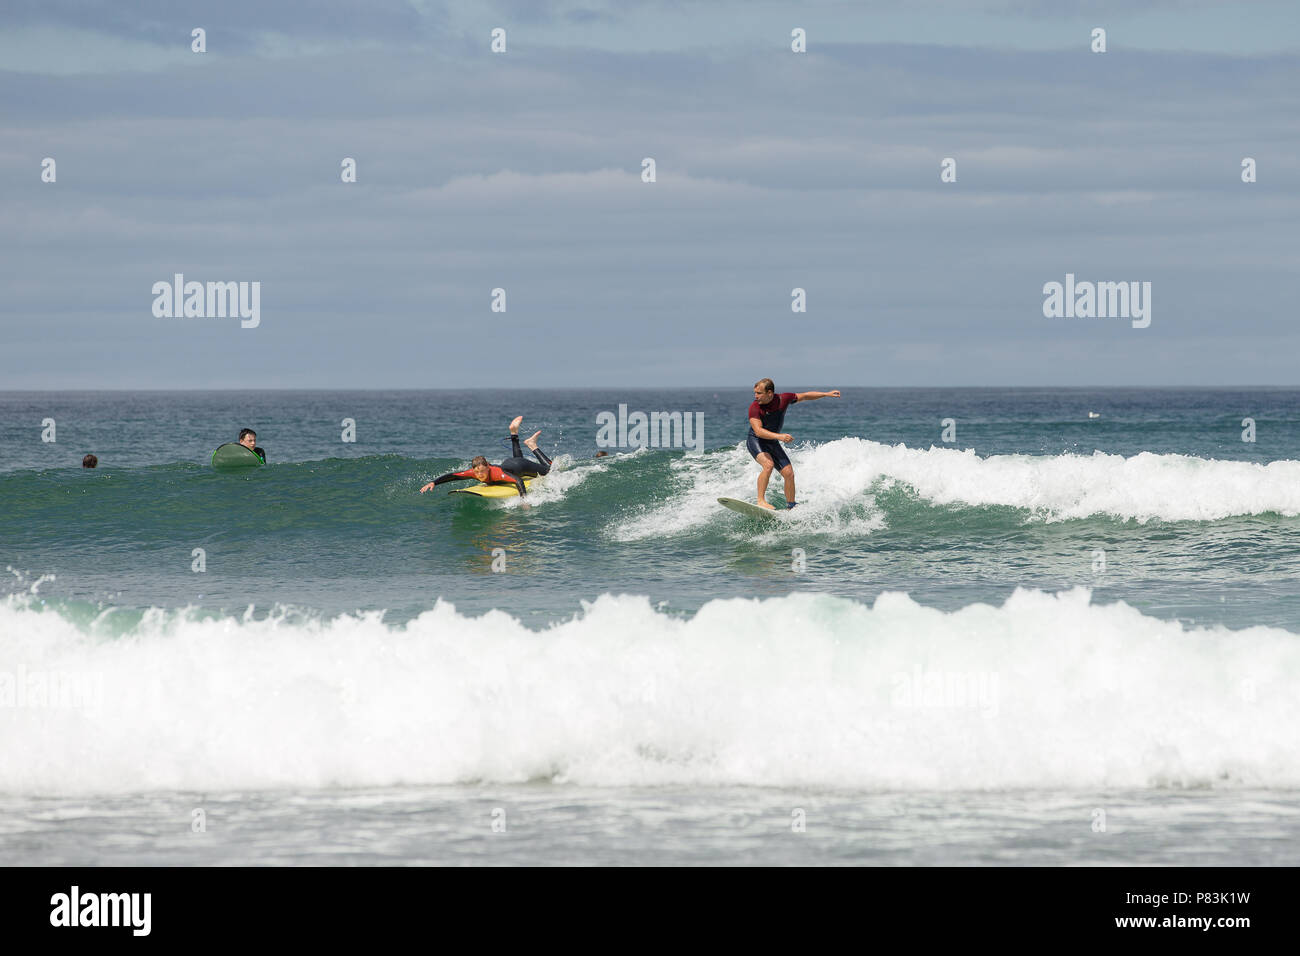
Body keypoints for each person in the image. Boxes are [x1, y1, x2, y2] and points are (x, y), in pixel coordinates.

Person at [746, 378, 840, 510]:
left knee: (789, 473)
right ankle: (760, 500)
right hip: (756, 440)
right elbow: (759, 431)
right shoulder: (755, 407)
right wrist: (780, 436)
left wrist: (826, 394)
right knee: (768, 465)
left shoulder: (783, 399)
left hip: (772, 442)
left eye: (759, 393)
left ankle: (791, 506)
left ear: (770, 393)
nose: (756, 396)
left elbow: (806, 396)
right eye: (755, 393)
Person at [420, 416, 552, 496]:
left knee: (551, 470)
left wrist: (524, 500)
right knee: (518, 459)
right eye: (477, 472)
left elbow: (519, 481)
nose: (480, 475)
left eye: (482, 471)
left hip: (520, 466)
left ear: (488, 467)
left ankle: (532, 445)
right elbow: (454, 476)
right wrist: (434, 483)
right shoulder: (474, 472)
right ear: (473, 470)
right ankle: (515, 434)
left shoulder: (497, 473)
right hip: (511, 464)